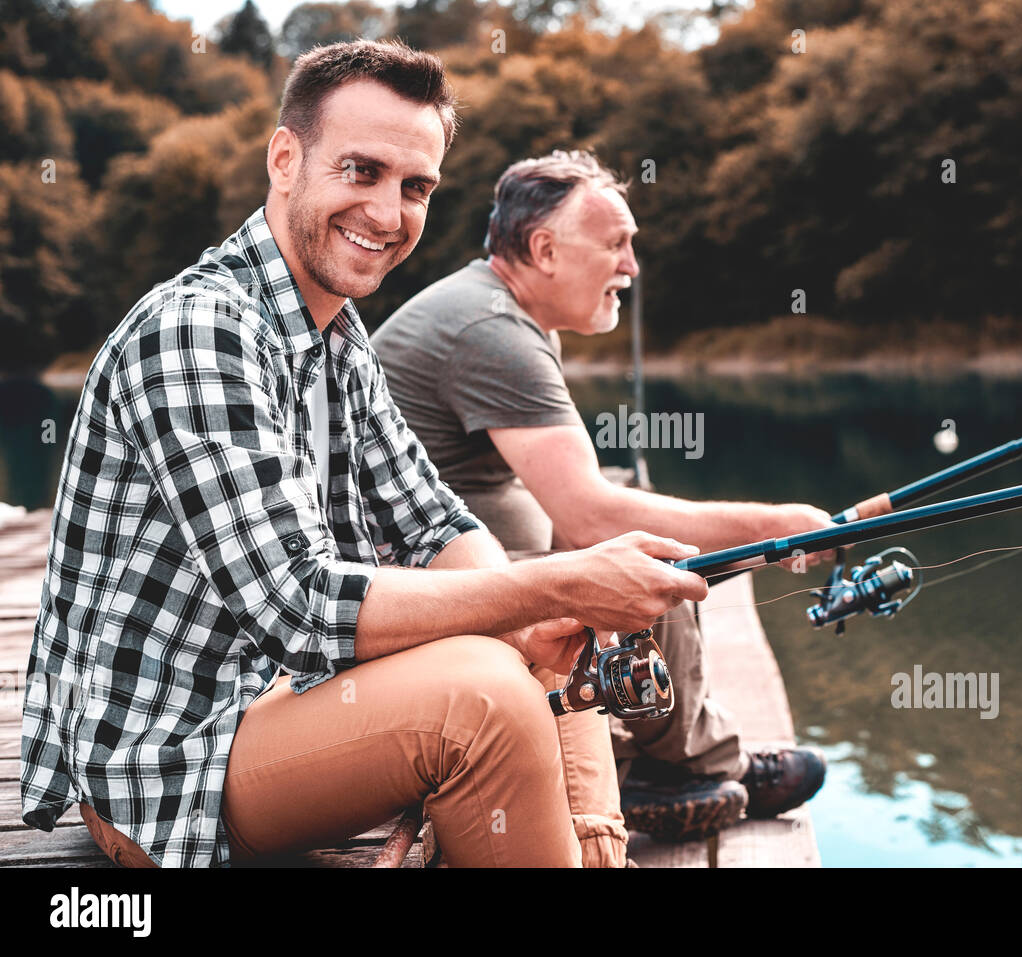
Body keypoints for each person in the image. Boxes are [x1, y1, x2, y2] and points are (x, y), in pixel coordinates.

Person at [20, 42, 707, 869]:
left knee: (546, 653)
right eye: (362, 171)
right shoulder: (200, 328)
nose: (389, 212)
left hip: (275, 701)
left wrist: (538, 617)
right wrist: (555, 582)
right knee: (485, 699)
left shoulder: (338, 338)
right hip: (167, 769)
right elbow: (301, 606)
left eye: (415, 186)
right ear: (285, 159)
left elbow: (431, 518)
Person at [371, 151, 876, 840]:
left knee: (625, 529)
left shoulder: (496, 309)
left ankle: (660, 756)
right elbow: (588, 515)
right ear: (544, 250)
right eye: (616, 244)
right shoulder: (490, 331)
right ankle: (678, 765)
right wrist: (779, 523)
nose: (632, 266)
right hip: (426, 600)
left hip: (451, 569)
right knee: (631, 553)